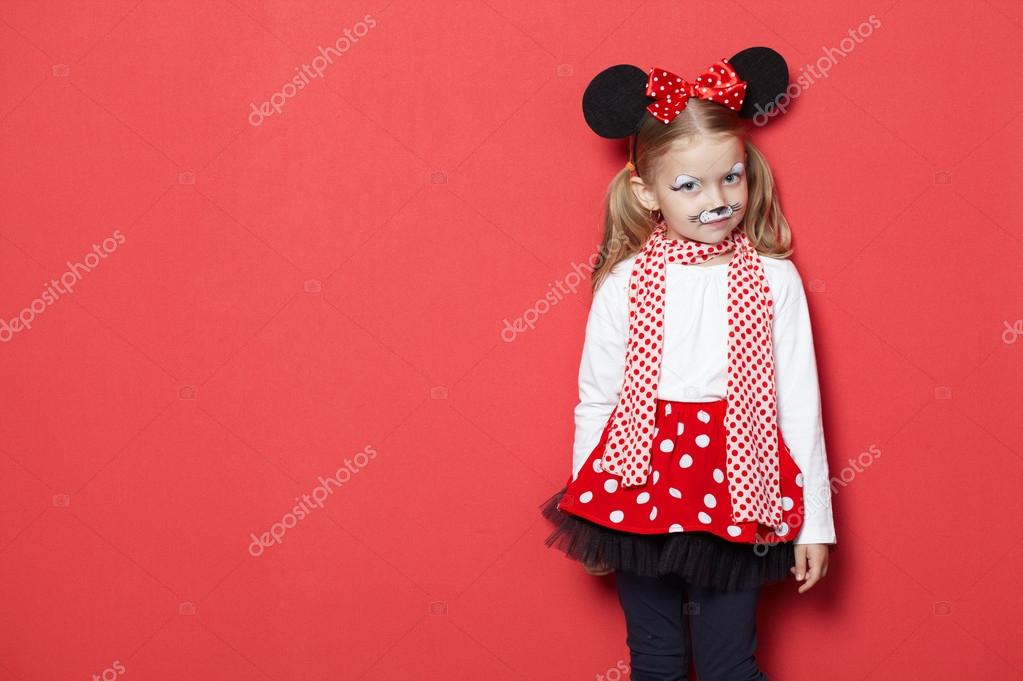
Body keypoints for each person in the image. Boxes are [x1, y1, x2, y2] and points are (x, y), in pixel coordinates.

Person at [539, 47, 836, 681]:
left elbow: (800, 406)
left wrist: (815, 521)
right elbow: (597, 400)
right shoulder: (623, 283)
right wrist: (589, 510)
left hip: (742, 483)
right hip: (637, 481)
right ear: (646, 192)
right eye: (689, 186)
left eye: (731, 177)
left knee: (731, 666)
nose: (716, 199)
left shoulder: (775, 281)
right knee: (657, 662)